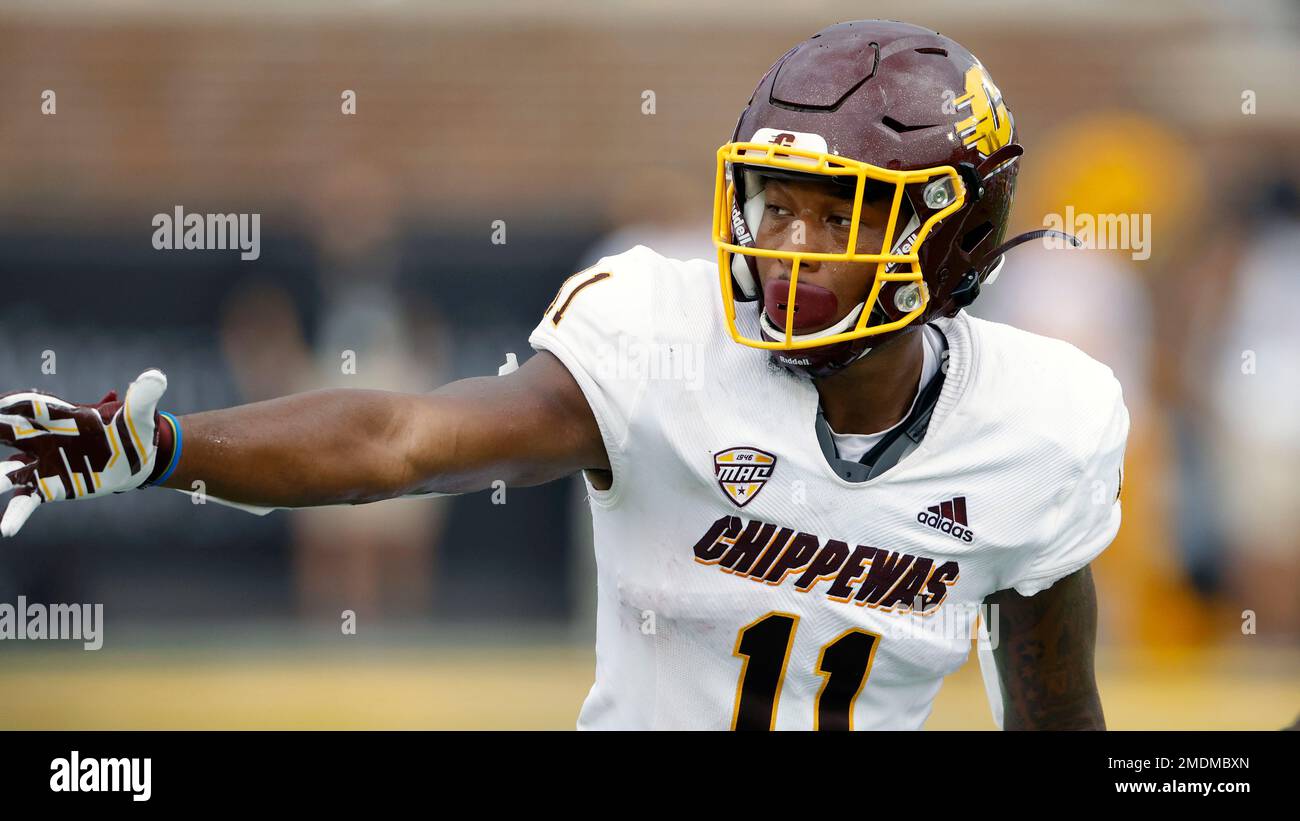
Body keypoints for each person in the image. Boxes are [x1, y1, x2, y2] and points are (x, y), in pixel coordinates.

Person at [0, 20, 1128, 730]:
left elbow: (1057, 710)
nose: (785, 246)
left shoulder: (1040, 423)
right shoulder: (663, 333)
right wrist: (165, 449)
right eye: (773, 204)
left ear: (955, 231)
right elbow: (399, 438)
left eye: (838, 215)